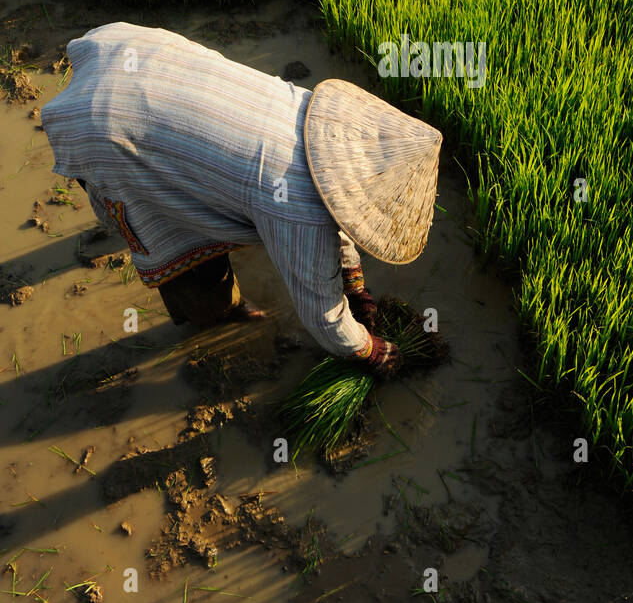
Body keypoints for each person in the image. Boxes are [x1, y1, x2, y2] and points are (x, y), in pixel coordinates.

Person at [40, 24, 443, 378]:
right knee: (189, 266)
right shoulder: (298, 208)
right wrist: (370, 349)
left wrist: (357, 287)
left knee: (219, 191)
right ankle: (220, 313)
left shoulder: (318, 118)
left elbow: (337, 204)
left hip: (136, 54)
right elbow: (325, 319)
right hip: (104, 129)